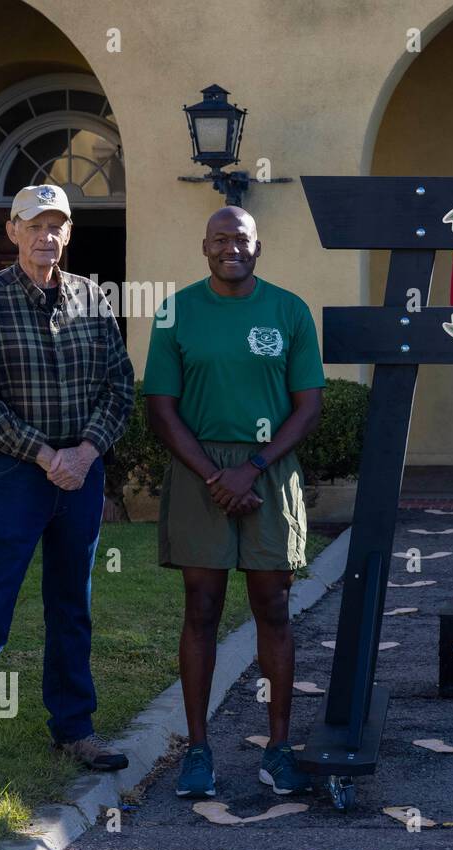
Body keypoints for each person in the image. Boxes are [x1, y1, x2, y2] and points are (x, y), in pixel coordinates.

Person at [0, 185, 134, 789]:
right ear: (13, 230)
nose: (47, 235)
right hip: (18, 473)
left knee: (73, 607)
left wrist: (85, 452)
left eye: (57, 225)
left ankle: (75, 729)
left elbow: (120, 386)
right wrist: (46, 455)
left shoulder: (93, 297)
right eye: (34, 224)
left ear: (68, 234)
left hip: (82, 474)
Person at [143, 206, 325, 799]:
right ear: (204, 247)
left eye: (241, 239)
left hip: (267, 469)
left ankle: (278, 748)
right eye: (220, 239)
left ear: (258, 246)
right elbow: (161, 408)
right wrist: (216, 475)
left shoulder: (289, 310)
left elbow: (308, 406)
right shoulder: (177, 310)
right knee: (202, 605)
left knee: (273, 606)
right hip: (201, 472)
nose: (231, 248)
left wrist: (250, 469)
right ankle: (198, 751)